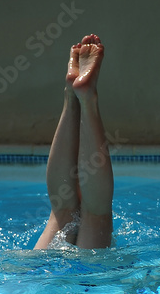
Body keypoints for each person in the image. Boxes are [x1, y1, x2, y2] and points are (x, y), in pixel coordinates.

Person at [34, 34, 114, 249]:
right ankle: (86, 98)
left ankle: (71, 98)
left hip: (37, 273)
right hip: (92, 277)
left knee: (62, 214)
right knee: (97, 215)